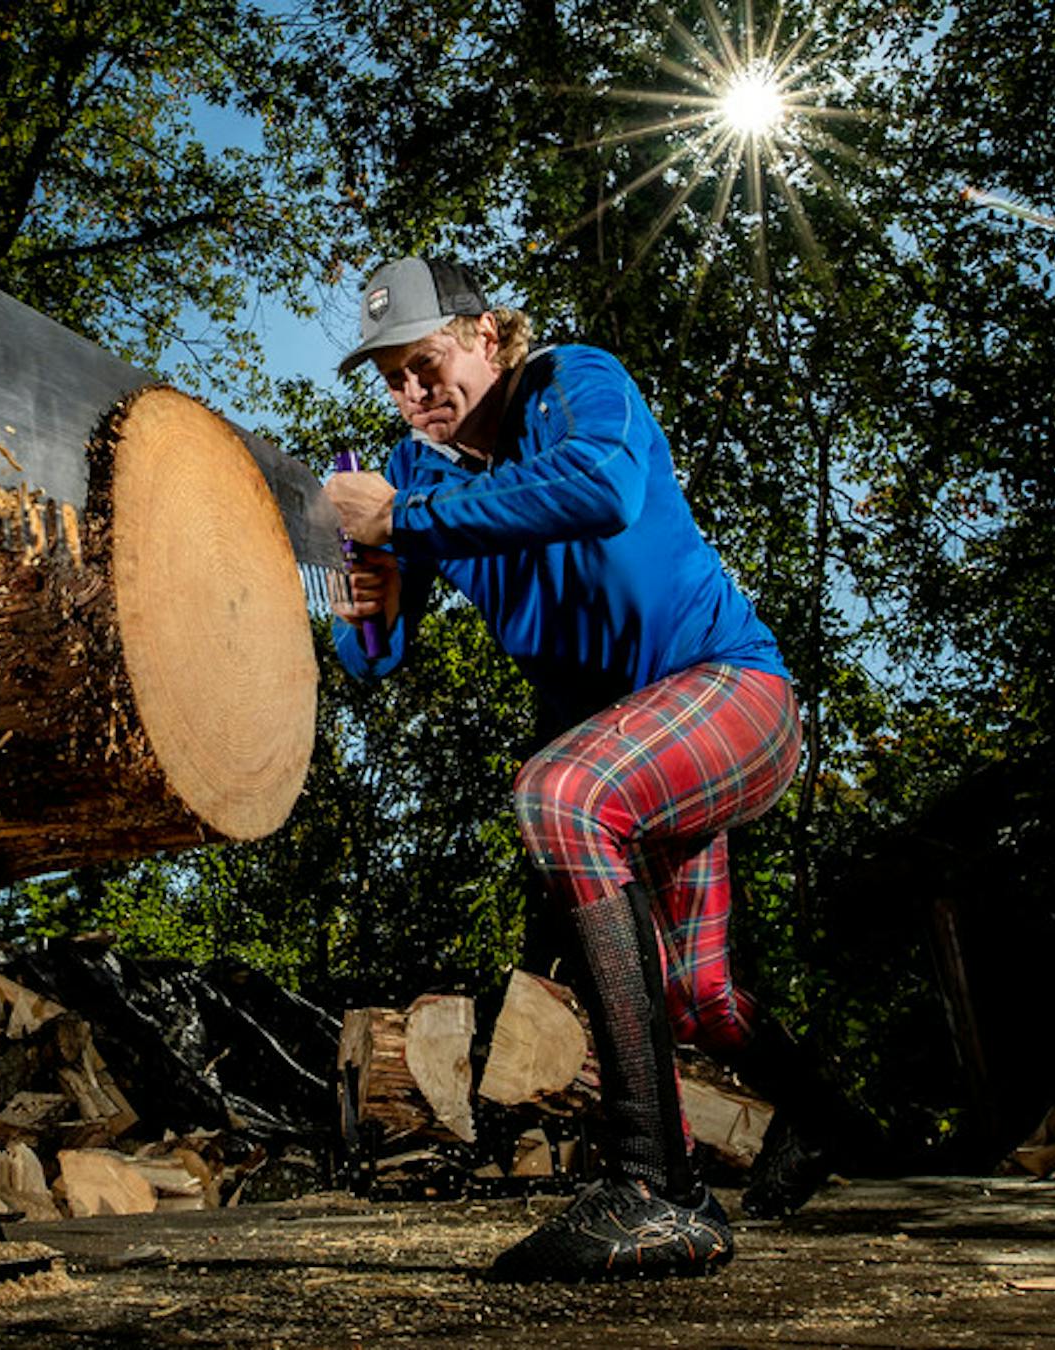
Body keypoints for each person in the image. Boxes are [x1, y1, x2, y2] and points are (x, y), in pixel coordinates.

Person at [321, 257, 860, 1282]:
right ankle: (826, 1114)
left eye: (427, 363)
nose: (412, 396)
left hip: (731, 696)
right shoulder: (418, 472)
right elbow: (376, 657)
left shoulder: (572, 381)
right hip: (634, 751)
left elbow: (603, 487)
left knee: (560, 792)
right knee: (700, 998)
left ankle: (659, 1189)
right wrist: (369, 601)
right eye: (390, 377)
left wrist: (401, 520)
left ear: (487, 337)